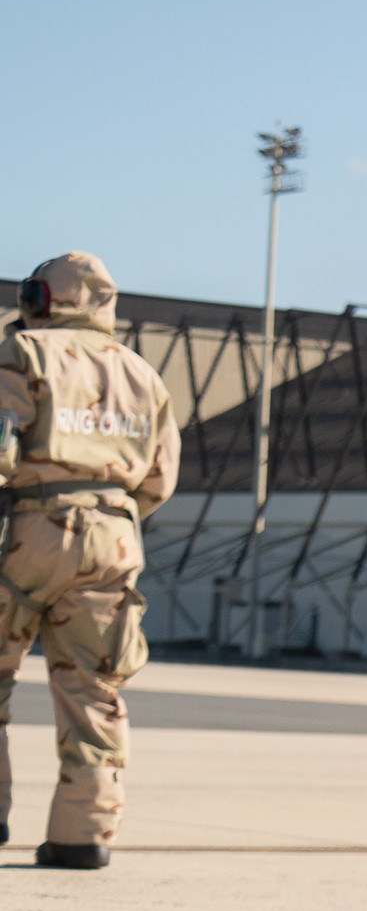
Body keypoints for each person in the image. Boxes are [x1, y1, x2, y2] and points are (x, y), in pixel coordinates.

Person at [0, 253, 180, 869]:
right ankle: (85, 836)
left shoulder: (23, 353)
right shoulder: (143, 374)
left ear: (41, 296)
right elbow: (159, 479)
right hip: (114, 537)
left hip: (24, 531)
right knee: (94, 688)